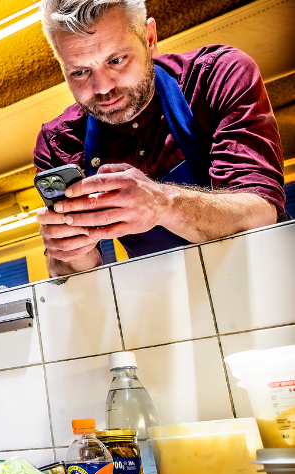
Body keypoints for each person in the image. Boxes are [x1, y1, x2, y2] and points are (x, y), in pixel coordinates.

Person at [34, 0, 286, 276]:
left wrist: (163, 204)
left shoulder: (218, 76)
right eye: (80, 72)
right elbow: (71, 274)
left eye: (116, 60)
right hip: (164, 294)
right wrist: (69, 250)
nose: (102, 88)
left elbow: (260, 212)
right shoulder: (60, 141)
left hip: (267, 278)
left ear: (149, 38)